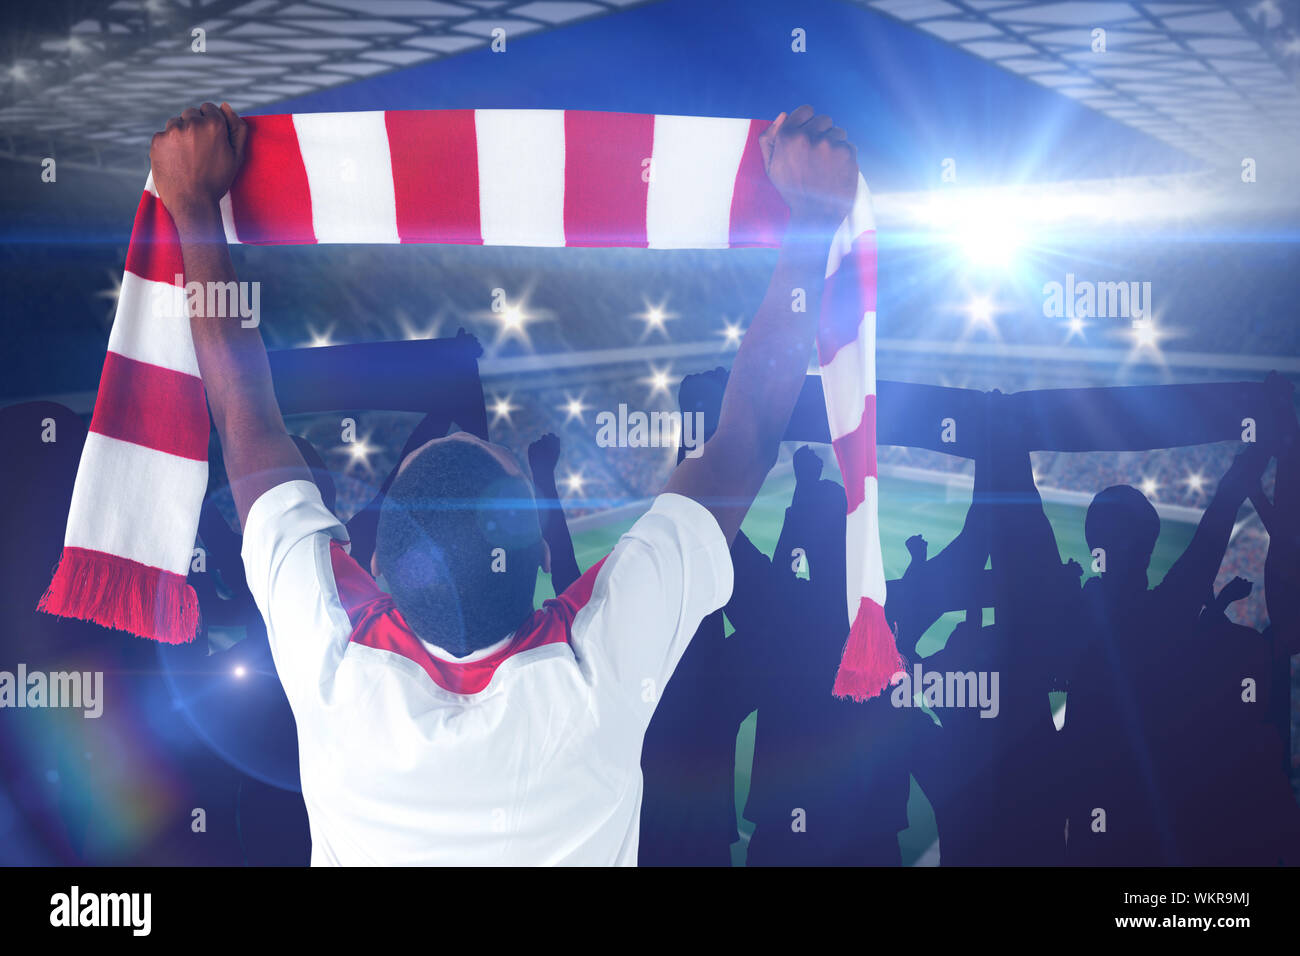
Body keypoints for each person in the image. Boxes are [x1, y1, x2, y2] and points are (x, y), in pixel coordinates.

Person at [148, 100, 861, 864]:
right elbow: (745, 435)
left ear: (376, 573)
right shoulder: (580, 673)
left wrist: (190, 204)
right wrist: (814, 220)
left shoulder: (344, 669)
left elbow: (245, 419)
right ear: (543, 579)